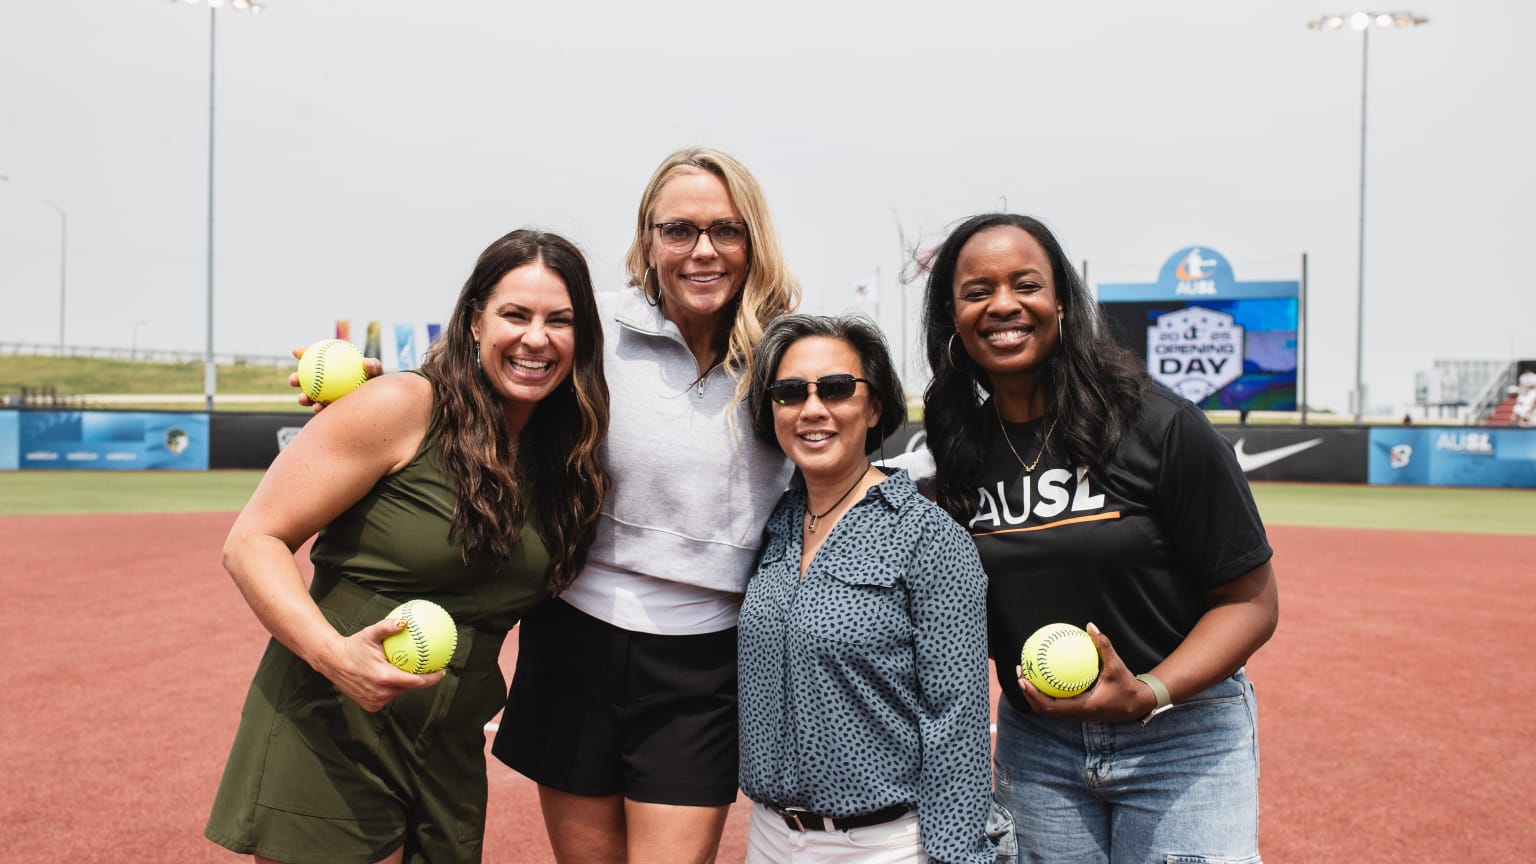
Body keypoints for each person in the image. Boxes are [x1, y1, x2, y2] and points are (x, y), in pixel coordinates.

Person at [206, 228, 609, 864]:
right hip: (331, 722)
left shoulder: (565, 454)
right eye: (515, 314)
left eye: (560, 320)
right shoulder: (402, 404)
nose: (537, 337)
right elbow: (252, 541)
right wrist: (333, 654)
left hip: (445, 745)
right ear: (474, 322)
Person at [920, 213, 1280, 863]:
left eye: (1024, 284)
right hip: (1040, 747)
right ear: (952, 314)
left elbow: (1250, 601)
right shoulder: (957, 454)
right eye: (978, 291)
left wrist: (1149, 692)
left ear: (1060, 299)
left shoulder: (1159, 424)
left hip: (1181, 736)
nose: (1003, 304)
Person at [490, 147, 801, 863]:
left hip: (706, 663)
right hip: (574, 638)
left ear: (753, 241)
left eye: (726, 230)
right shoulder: (592, 330)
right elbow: (487, 393)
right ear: (647, 239)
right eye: (679, 230)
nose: (703, 251)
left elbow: (851, 441)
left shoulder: (785, 352)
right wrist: (387, 392)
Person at [737, 314, 1002, 864]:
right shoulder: (773, 526)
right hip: (769, 838)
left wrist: (958, 856)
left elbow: (958, 720)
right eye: (789, 393)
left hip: (884, 847)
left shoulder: (928, 537)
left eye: (835, 389)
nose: (812, 409)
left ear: (875, 406)